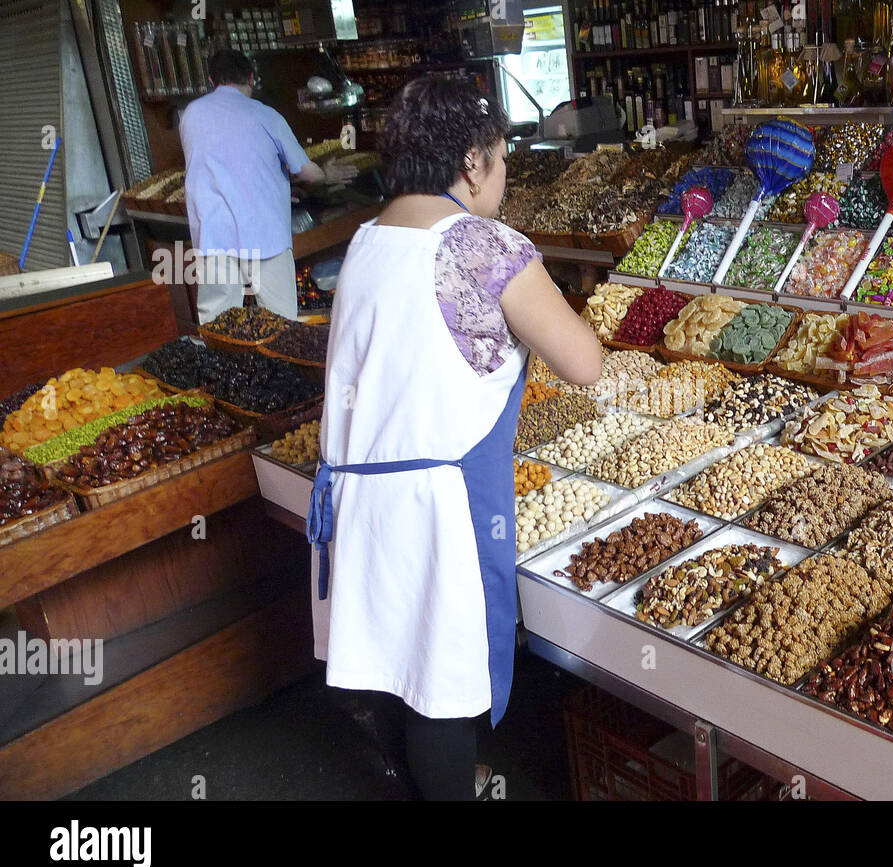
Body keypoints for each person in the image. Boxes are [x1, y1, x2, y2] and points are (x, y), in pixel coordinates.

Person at [308, 77, 602, 800]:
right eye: (503, 160)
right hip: (438, 502)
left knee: (389, 660)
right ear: (473, 162)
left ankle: (425, 777)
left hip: (356, 490)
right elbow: (584, 362)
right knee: (443, 679)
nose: (503, 178)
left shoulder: (368, 238)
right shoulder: (481, 243)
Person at [179, 49, 344, 323]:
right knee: (281, 323)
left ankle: (223, 364)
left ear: (211, 80)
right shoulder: (267, 116)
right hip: (264, 235)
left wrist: (278, 186)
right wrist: (327, 174)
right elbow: (309, 174)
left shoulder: (191, 115)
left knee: (220, 325)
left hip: (214, 234)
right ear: (252, 78)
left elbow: (224, 164)